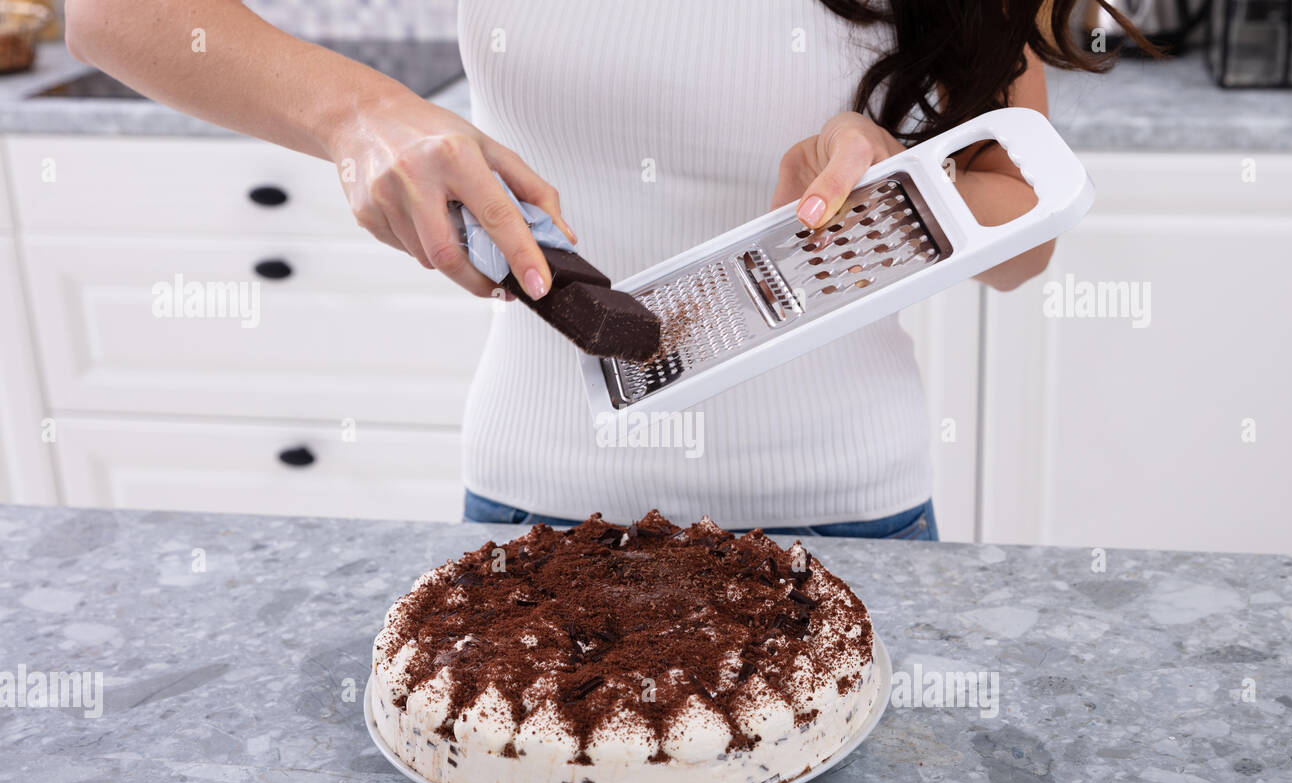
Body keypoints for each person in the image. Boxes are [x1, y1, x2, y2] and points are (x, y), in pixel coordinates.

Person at [65, 0, 1148, 541]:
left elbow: (1024, 226)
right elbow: (111, 13)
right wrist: (361, 114)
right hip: (537, 502)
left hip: (850, 518)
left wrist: (901, 184)